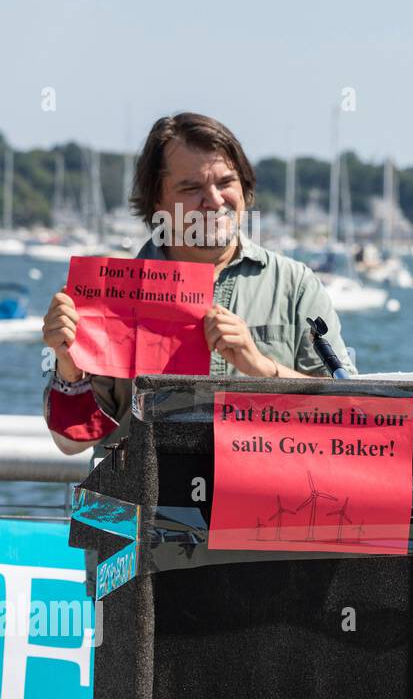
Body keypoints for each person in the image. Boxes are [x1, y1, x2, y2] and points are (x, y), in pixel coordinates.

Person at [41, 112, 354, 453]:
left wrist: (263, 369)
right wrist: (69, 370)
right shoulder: (109, 294)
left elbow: (354, 414)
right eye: (191, 188)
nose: (214, 200)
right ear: (156, 200)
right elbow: (72, 443)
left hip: (259, 502)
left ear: (245, 188)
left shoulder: (296, 286)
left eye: (225, 182)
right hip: (142, 505)